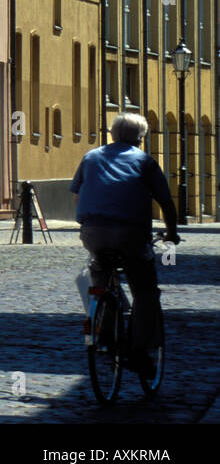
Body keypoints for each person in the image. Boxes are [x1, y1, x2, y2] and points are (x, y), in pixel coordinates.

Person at [69, 113, 180, 373]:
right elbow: (166, 202)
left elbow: (77, 195)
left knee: (100, 272)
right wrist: (171, 233)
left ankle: (105, 329)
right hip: (130, 233)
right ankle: (139, 352)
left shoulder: (90, 157)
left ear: (112, 134)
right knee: (145, 291)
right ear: (141, 138)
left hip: (93, 232)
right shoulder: (145, 162)